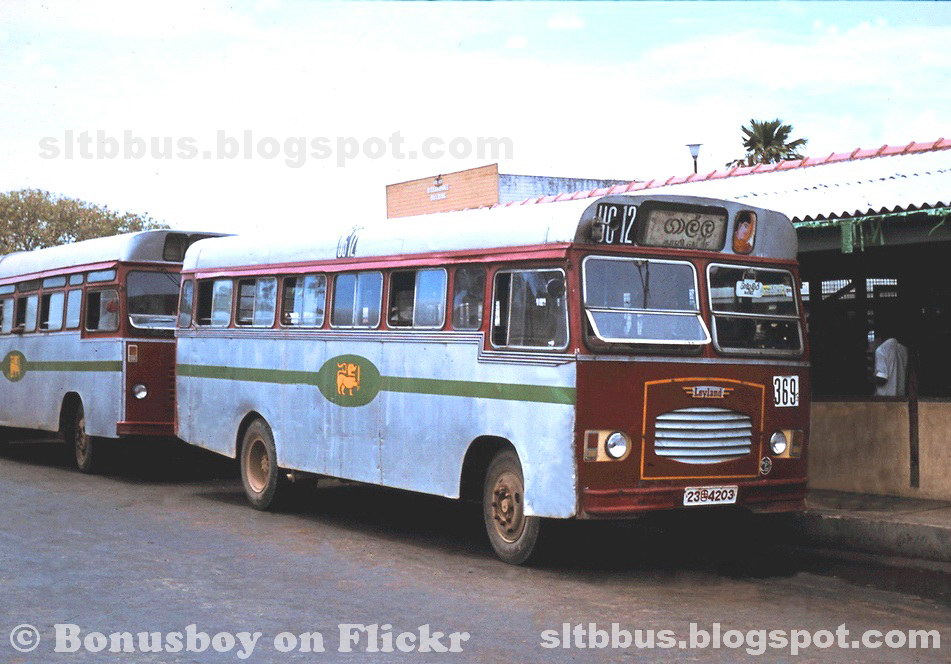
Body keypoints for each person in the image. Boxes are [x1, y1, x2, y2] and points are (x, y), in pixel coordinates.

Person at [873, 328, 909, 398]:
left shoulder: (881, 350)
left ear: (878, 338)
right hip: (900, 398)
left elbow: (882, 379)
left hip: (884, 399)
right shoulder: (903, 349)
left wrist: (871, 377)